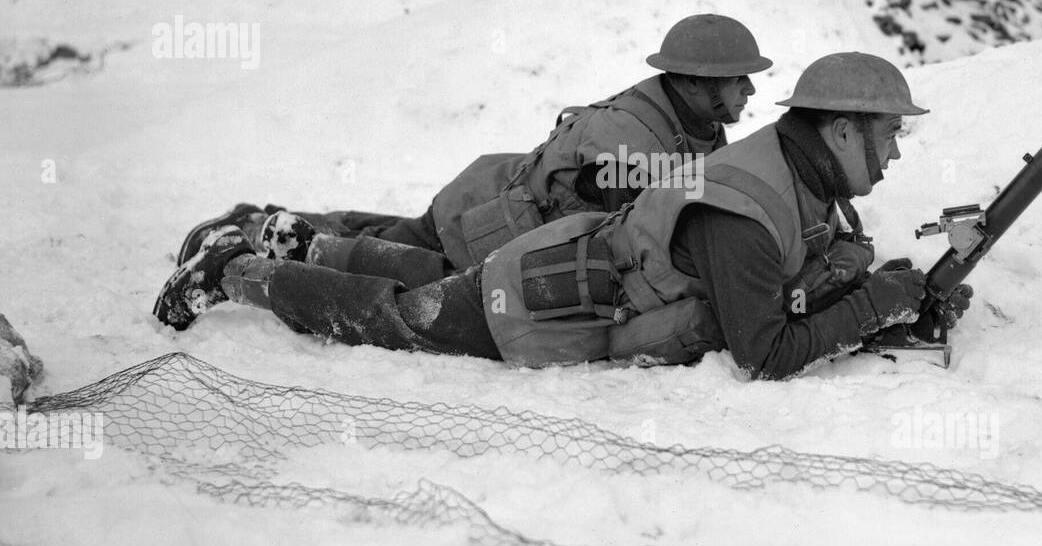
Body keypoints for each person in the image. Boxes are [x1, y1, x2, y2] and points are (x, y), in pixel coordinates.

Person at [153, 53, 973, 381]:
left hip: (566, 268)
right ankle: (235, 271)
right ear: (837, 130)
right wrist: (878, 304)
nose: (897, 152)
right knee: (394, 316)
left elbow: (802, 271)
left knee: (398, 268)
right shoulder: (746, 206)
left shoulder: (795, 177)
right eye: (890, 134)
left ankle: (265, 245)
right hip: (546, 296)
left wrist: (889, 287)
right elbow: (765, 353)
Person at [172, 14, 772, 284]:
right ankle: (252, 231)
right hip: (487, 215)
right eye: (737, 78)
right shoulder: (632, 142)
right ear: (693, 80)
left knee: (394, 234)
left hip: (494, 195)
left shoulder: (689, 122)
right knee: (392, 257)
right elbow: (604, 219)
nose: (748, 89)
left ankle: (255, 220)